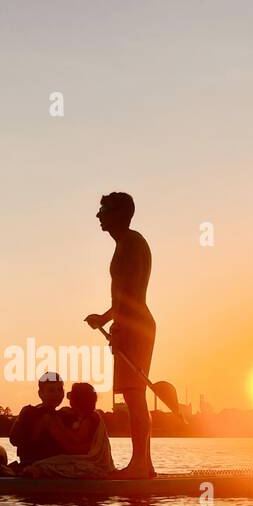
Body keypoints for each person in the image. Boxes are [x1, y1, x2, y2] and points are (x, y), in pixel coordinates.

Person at [85, 191, 155, 478]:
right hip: (128, 325)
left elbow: (127, 295)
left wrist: (105, 318)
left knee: (135, 395)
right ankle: (144, 465)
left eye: (103, 210)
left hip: (136, 325)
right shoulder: (124, 243)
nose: (99, 215)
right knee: (132, 396)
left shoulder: (132, 243)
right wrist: (115, 325)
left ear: (119, 214)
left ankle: (140, 464)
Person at [22, 383, 113, 478]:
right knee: (47, 420)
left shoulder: (89, 418)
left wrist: (60, 425)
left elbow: (77, 440)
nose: (68, 400)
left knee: (48, 421)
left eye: (70, 396)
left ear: (78, 400)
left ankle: (31, 459)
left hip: (80, 452)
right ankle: (30, 453)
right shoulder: (77, 416)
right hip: (75, 450)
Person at [9, 371, 69, 465]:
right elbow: (14, 439)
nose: (57, 394)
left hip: (55, 463)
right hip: (35, 464)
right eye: (51, 390)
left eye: (60, 390)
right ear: (40, 393)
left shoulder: (63, 414)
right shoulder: (29, 412)